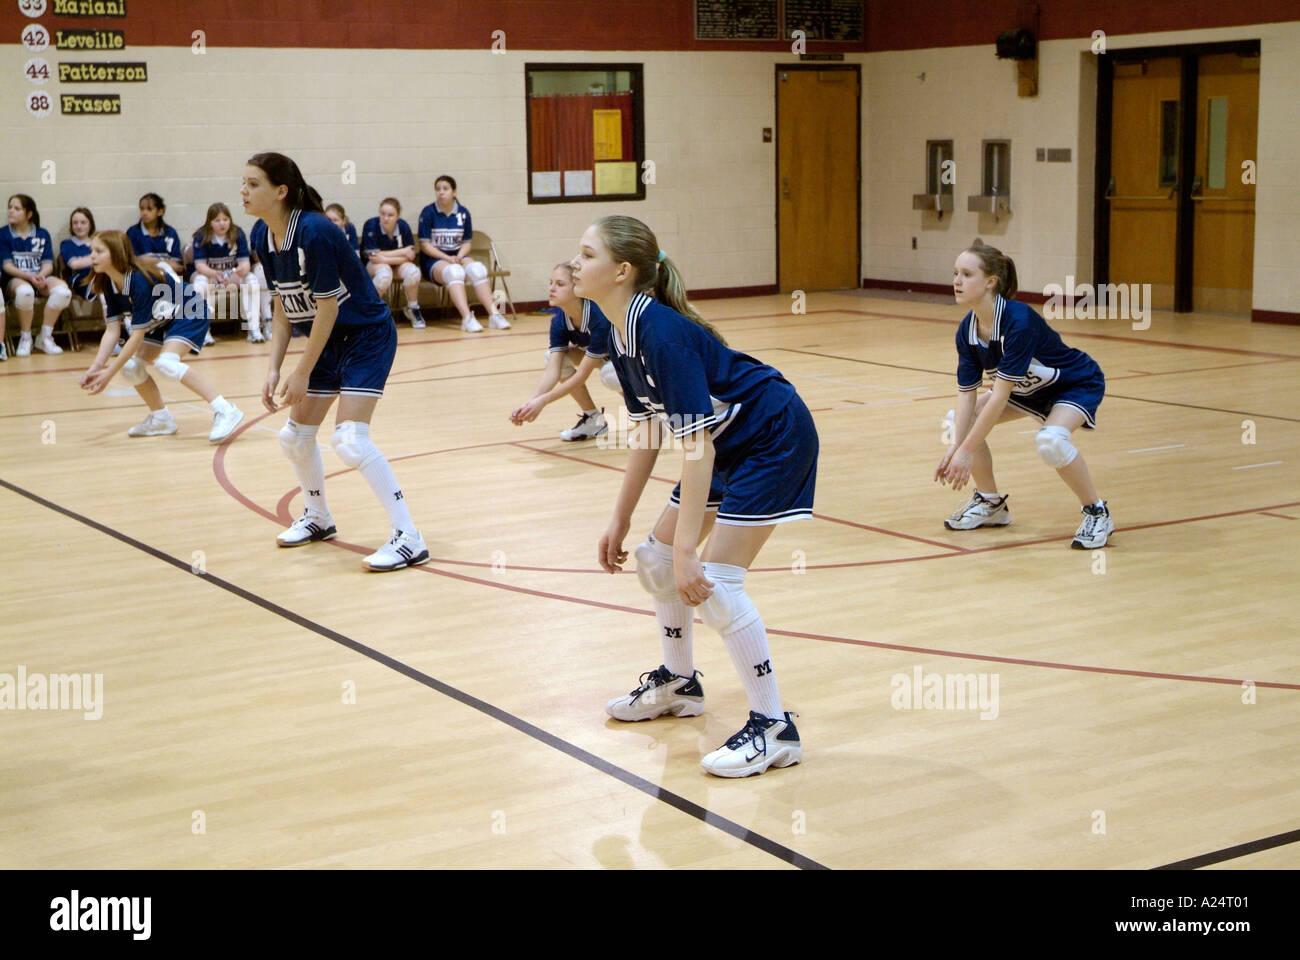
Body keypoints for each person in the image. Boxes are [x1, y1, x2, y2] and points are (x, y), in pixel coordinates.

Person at [574, 215, 817, 779]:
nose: (575, 264)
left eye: (587, 255)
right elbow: (649, 432)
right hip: (724, 444)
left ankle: (774, 726)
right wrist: (620, 517)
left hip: (772, 436)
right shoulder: (615, 330)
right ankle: (681, 683)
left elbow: (698, 450)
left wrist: (690, 551)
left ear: (622, 271)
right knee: (655, 561)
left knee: (716, 584)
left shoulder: (661, 333)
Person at [243, 152, 428, 572]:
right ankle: (319, 517)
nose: (244, 191)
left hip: (365, 337)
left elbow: (326, 309)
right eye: (245, 182)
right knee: (294, 437)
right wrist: (274, 367)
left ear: (281, 191)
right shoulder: (260, 235)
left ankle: (409, 537)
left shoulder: (316, 232)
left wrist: (301, 371)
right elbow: (283, 304)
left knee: (350, 439)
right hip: (325, 342)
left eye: (253, 184)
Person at [935, 240, 1113, 549]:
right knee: (956, 422)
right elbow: (967, 396)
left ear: (991, 281)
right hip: (1027, 390)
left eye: (966, 274)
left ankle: (1097, 512)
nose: (957, 281)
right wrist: (956, 447)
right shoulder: (967, 330)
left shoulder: (1019, 321)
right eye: (955, 273)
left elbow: (1001, 394)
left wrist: (966, 449)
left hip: (1073, 384)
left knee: (1051, 441)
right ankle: (991, 504)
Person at [79, 230, 245, 443]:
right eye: (91, 250)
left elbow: (137, 336)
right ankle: (161, 418)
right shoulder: (108, 283)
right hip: (161, 319)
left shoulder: (138, 281)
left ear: (116, 253)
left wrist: (109, 372)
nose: (92, 255)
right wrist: (96, 367)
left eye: (99, 251)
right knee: (131, 368)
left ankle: (225, 409)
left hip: (188, 309)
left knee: (167, 363)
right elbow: (112, 331)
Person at [508, 262, 620, 441]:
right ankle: (592, 419)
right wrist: (530, 404)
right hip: (605, 358)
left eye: (560, 284)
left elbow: (582, 374)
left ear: (577, 289)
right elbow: (553, 370)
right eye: (550, 282)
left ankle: (649, 417)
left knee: (610, 374)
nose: (552, 288)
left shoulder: (598, 316)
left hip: (638, 361)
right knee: (553, 358)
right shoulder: (559, 322)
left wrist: (544, 401)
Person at [417, 175, 510, 332]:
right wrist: (447, 258)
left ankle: (494, 315)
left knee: (477, 269)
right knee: (455, 272)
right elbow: (425, 246)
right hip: (434, 261)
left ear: (454, 192)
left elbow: (467, 243)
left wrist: (459, 256)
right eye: (438, 189)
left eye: (445, 189)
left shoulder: (463, 213)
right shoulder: (428, 213)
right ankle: (467, 318)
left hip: (457, 256)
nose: (441, 192)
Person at [1, 194, 71, 356]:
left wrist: (40, 275)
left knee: (63, 292)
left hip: (40, 277)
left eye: (16, 208)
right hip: (16, 280)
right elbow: (7, 266)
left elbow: (47, 263)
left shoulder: (42, 234)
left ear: (29, 214)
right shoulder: (4, 234)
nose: (10, 211)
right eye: (10, 207)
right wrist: (29, 277)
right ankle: (26, 338)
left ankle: (45, 336)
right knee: (25, 292)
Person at [190, 202, 264, 342]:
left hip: (232, 276)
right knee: (199, 284)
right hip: (210, 275)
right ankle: (203, 332)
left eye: (225, 219)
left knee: (252, 280)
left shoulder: (237, 233)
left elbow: (245, 263)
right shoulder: (202, 235)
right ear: (209, 222)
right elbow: (199, 265)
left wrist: (241, 271)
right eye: (217, 220)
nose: (222, 224)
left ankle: (254, 329)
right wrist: (214, 274)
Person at [361, 198, 424, 328]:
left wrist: (384, 257)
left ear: (397, 216)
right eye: (383, 214)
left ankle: (413, 309)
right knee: (384, 274)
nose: (386, 218)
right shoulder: (371, 225)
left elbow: (410, 255)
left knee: (413, 272)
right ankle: (369, 311)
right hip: (373, 266)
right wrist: (402, 252)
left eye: (390, 215)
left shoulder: (403, 226)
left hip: (395, 264)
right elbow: (373, 257)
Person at [60, 207, 97, 304]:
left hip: (100, 276)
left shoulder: (98, 242)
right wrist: (99, 258)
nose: (79, 226)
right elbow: (74, 264)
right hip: (81, 281)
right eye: (75, 223)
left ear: (90, 224)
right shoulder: (67, 244)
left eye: (83, 222)